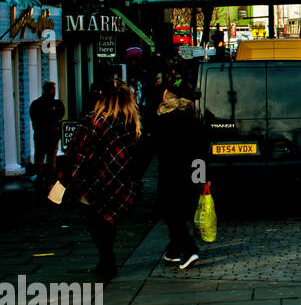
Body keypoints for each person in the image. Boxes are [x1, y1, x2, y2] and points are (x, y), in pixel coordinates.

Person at [59, 80, 145, 283]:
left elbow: (77, 152)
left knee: (95, 221)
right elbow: (138, 155)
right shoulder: (130, 123)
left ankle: (106, 258)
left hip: (92, 182)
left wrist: (66, 179)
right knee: (108, 220)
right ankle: (107, 258)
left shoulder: (92, 121)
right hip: (121, 181)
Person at [151, 76, 205, 269]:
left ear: (166, 98)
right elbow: (200, 151)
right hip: (191, 174)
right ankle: (173, 251)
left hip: (170, 175)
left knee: (170, 213)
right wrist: (201, 178)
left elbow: (154, 149)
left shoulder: (162, 121)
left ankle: (190, 250)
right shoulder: (193, 119)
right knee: (181, 213)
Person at [29, 82, 64, 186]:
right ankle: (48, 180)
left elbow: (34, 119)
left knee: (41, 158)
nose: (54, 92)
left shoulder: (36, 104)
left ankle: (41, 179)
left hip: (42, 135)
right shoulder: (55, 104)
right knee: (50, 159)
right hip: (48, 135)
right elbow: (59, 116)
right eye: (53, 90)